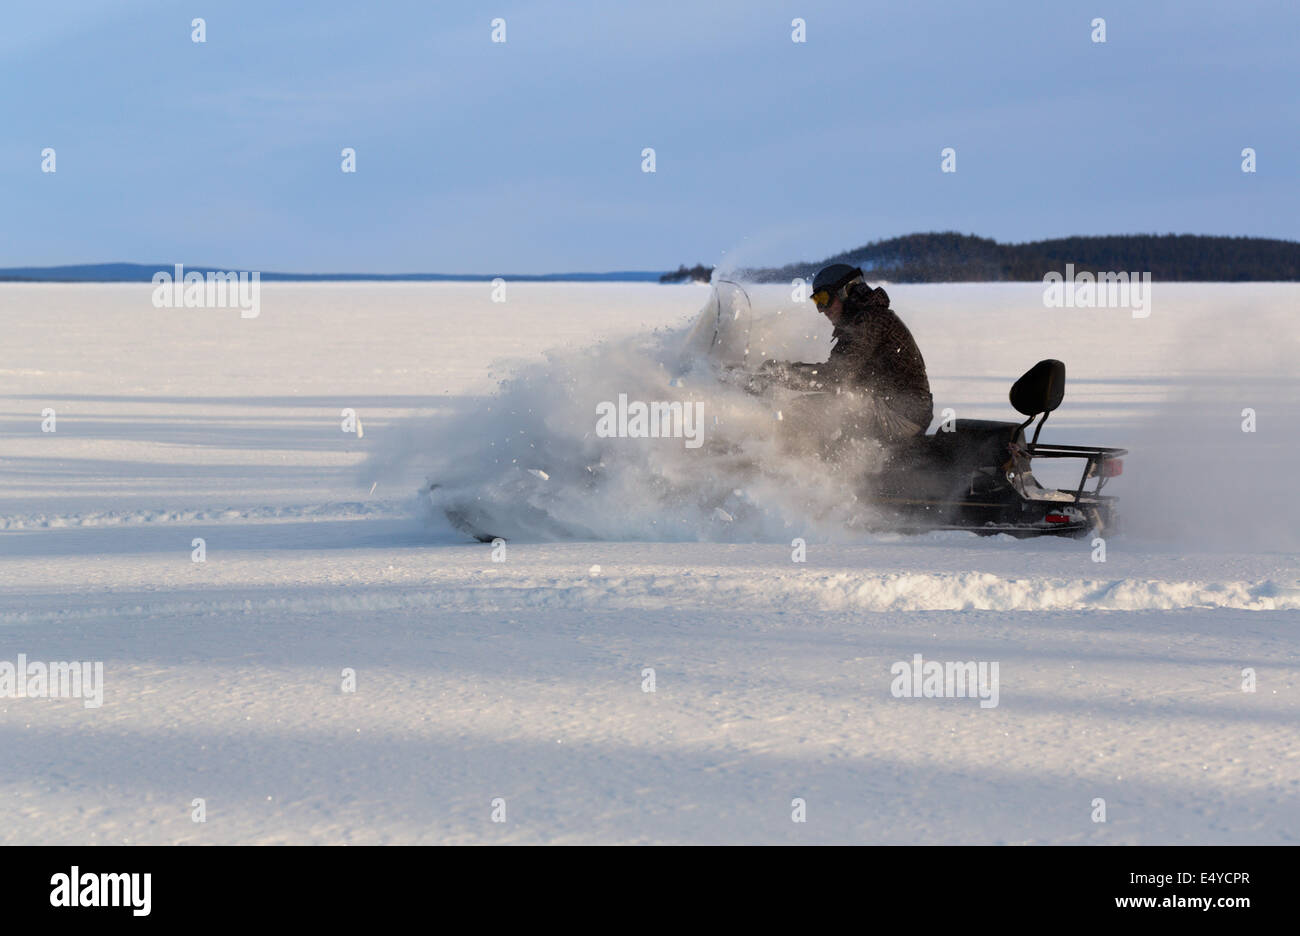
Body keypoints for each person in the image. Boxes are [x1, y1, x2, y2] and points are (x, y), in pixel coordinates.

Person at [757, 263, 933, 445]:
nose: (821, 309)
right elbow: (839, 375)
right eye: (817, 301)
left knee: (809, 410)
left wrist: (779, 374)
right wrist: (779, 373)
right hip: (888, 409)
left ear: (847, 291)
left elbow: (836, 376)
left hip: (903, 416)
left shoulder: (872, 321)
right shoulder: (859, 323)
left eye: (824, 298)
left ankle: (798, 467)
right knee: (816, 407)